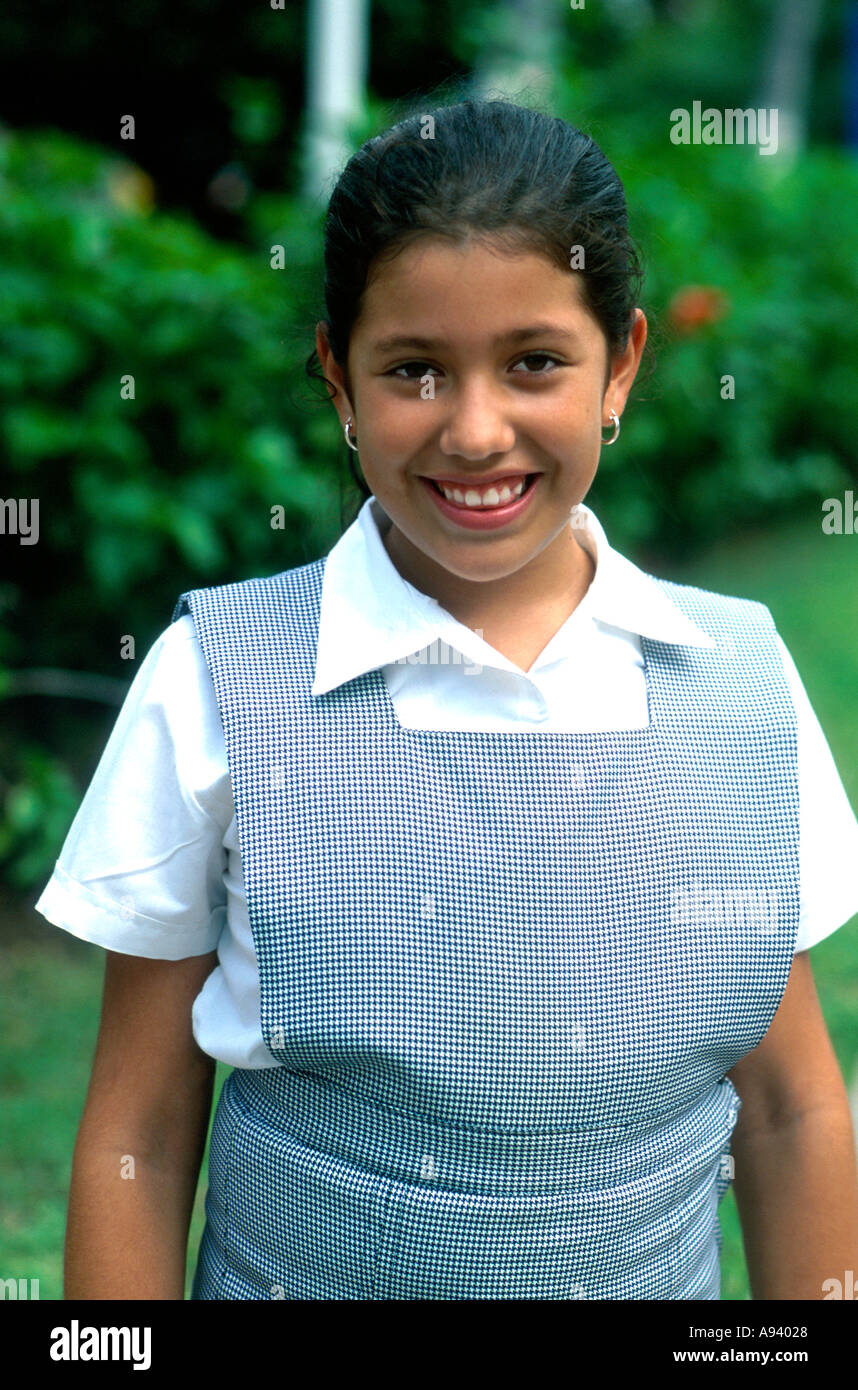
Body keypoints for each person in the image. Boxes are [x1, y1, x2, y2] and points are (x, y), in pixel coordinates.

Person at [36, 97, 858, 1300]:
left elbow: (791, 1109)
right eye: (415, 369)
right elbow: (139, 1138)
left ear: (621, 363)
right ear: (338, 379)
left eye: (534, 362)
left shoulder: (735, 682)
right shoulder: (221, 679)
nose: (477, 431)